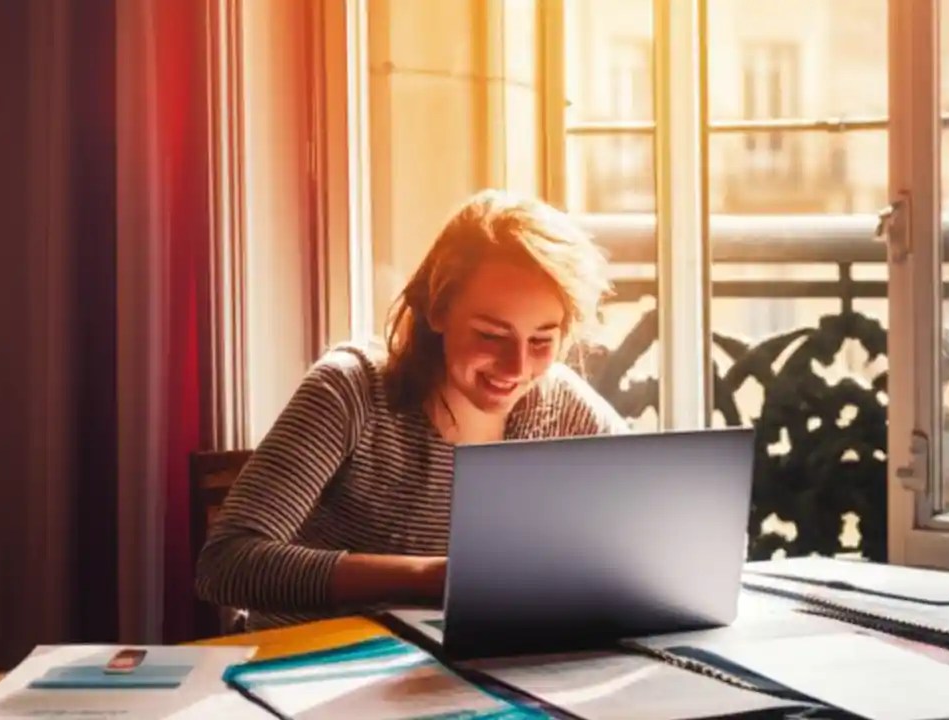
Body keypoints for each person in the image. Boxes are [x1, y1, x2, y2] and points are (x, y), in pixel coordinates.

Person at [195, 190, 628, 630]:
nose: (517, 367)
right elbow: (227, 564)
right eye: (490, 336)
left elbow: (649, 542)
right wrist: (429, 578)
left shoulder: (566, 408)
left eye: (541, 340)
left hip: (451, 679)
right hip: (309, 671)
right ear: (437, 309)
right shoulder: (351, 391)